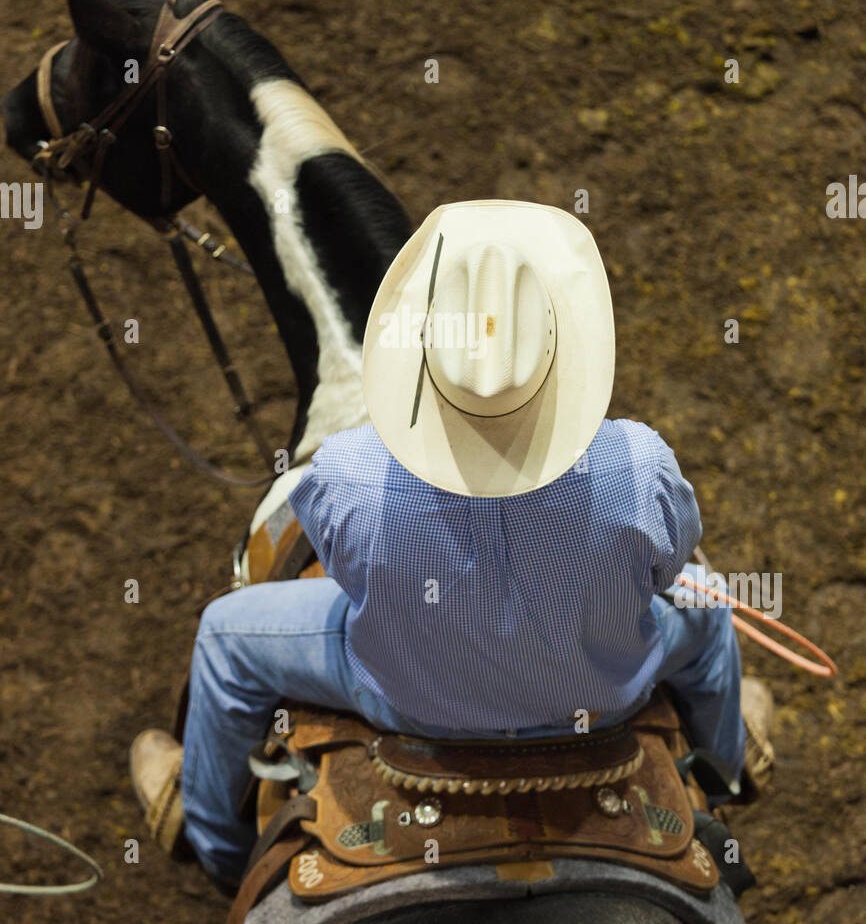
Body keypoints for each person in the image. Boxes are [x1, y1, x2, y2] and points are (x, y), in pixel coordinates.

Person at [130, 199, 773, 888]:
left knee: (225, 636)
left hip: (404, 699)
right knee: (711, 619)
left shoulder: (348, 474)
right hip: (605, 693)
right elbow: (673, 563)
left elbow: (348, 577)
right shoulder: (640, 466)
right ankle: (729, 774)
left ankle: (218, 847)